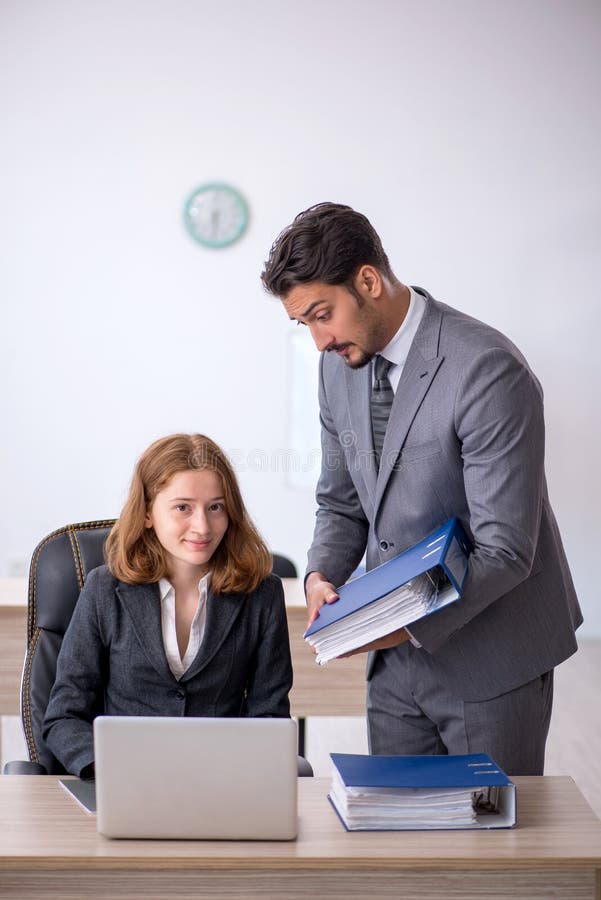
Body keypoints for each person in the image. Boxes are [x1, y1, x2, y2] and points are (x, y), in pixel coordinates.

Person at [261, 202, 582, 775]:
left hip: (494, 657)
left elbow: (505, 550)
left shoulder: (487, 369)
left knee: (489, 844)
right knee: (401, 843)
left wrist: (388, 624)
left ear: (368, 280)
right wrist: (321, 575)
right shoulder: (337, 367)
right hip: (395, 670)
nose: (317, 341)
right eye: (303, 323)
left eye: (321, 314)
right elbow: (342, 499)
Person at [43, 433, 293, 777]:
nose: (202, 526)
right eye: (182, 507)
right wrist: (111, 770)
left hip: (221, 784)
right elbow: (64, 717)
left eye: (216, 507)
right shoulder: (104, 589)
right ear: (147, 512)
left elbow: (270, 719)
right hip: (122, 782)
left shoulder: (262, 594)